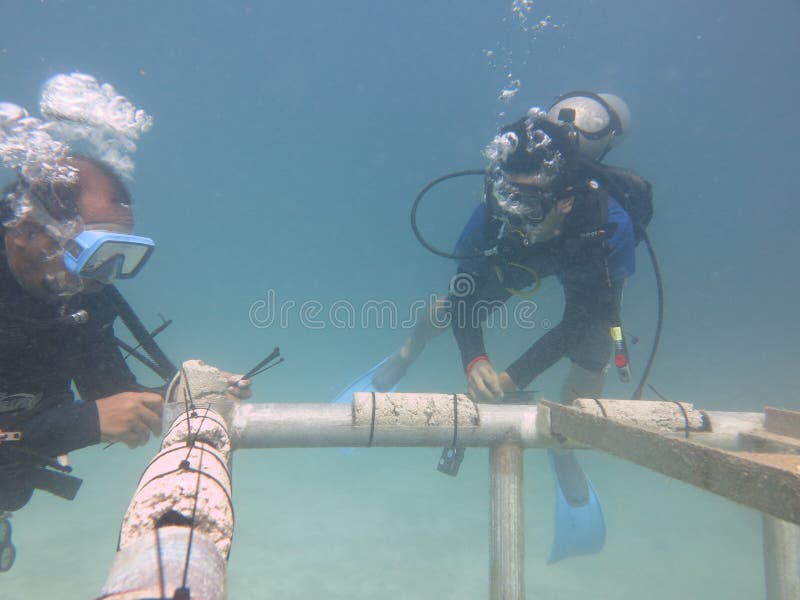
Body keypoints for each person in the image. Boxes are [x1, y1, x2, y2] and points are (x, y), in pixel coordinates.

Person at [335, 91, 653, 562]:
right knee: (449, 305)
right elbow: (465, 284)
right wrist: (475, 358)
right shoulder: (499, 199)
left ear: (564, 201)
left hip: (585, 264)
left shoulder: (606, 222)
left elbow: (582, 317)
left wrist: (513, 378)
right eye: (508, 193)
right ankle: (403, 357)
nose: (513, 209)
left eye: (526, 200)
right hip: (525, 259)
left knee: (593, 353)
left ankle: (563, 440)